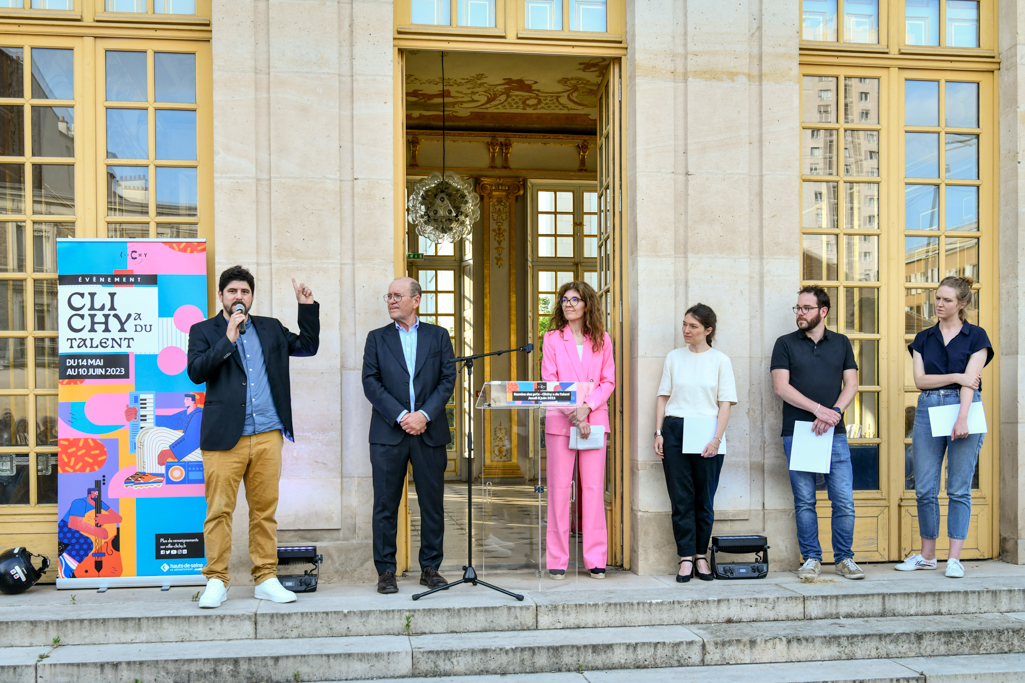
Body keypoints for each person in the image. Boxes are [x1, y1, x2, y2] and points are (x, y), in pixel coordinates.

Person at [187, 266, 319, 608]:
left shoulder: (271, 328)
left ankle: (265, 578)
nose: (239, 297)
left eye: (244, 292)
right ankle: (216, 580)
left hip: (267, 435)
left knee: (264, 511)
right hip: (223, 438)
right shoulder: (204, 330)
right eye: (232, 291)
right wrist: (227, 339)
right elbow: (196, 372)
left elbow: (307, 346)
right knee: (219, 511)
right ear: (221, 296)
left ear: (252, 297)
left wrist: (306, 307)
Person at [362, 277, 457, 594]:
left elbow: (447, 379)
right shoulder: (376, 338)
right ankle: (386, 571)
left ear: (416, 300)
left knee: (432, 504)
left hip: (430, 432)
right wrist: (403, 416)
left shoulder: (438, 336)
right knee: (385, 506)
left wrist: (424, 415)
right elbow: (370, 382)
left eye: (397, 295)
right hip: (388, 433)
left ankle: (430, 568)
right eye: (388, 295)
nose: (391, 300)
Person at [897, 276, 991, 579]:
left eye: (947, 300)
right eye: (937, 298)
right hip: (928, 408)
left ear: (962, 304)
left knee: (958, 488)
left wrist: (962, 418)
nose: (939, 304)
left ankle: (954, 558)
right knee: (924, 487)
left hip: (965, 407)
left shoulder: (977, 336)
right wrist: (956, 376)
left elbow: (970, 383)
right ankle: (927, 556)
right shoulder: (923, 338)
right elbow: (920, 381)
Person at [770, 286, 865, 580]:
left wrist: (833, 413)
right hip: (798, 432)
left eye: (806, 308)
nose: (800, 313)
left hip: (834, 433)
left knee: (843, 500)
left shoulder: (841, 343)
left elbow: (852, 384)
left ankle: (844, 559)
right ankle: (811, 558)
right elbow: (781, 387)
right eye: (798, 308)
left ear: (823, 311)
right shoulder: (784, 343)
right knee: (805, 501)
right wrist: (819, 410)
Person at [654, 304, 736, 582]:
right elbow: (663, 397)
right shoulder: (674, 357)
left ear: (708, 330)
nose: (686, 330)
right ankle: (685, 557)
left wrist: (716, 439)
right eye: (685, 324)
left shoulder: (721, 360)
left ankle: (701, 555)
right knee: (681, 498)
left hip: (707, 430)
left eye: (693, 326)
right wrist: (658, 432)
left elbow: (725, 403)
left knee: (704, 498)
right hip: (675, 428)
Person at [541, 280, 615, 580]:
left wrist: (587, 408)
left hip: (594, 420)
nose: (568, 305)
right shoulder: (552, 338)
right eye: (564, 300)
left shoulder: (602, 339)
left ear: (587, 304)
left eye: (574, 300)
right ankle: (557, 559)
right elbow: (550, 380)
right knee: (559, 491)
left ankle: (595, 558)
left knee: (594, 491)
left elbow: (608, 381)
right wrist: (575, 412)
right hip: (561, 422)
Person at [123, 393, 204, 488]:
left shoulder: (199, 413)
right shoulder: (186, 413)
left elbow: (195, 436)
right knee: (144, 433)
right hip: (187, 447)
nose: (184, 401)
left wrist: (175, 451)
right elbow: (168, 421)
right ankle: (142, 471)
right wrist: (138, 416)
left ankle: (154, 474)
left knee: (157, 435)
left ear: (193, 401)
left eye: (187, 399)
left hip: (198, 450)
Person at [57, 487, 122, 579]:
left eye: (97, 493)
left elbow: (118, 518)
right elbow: (74, 523)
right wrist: (95, 530)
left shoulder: (99, 504)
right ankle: (64, 566)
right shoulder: (80, 502)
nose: (95, 495)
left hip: (83, 530)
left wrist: (105, 518)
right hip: (66, 529)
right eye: (93, 493)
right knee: (86, 542)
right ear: (89, 494)